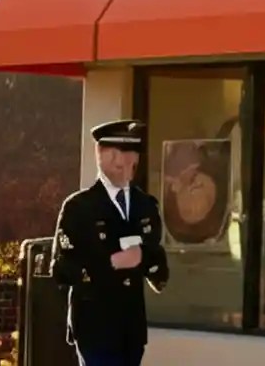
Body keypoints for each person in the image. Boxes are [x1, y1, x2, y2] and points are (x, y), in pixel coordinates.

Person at [51, 119, 169, 366]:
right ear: (101, 155)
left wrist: (142, 258)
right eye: (118, 153)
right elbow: (62, 269)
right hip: (95, 328)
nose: (126, 161)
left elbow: (157, 262)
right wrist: (111, 263)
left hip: (131, 330)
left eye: (132, 153)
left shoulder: (145, 205)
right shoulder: (79, 208)